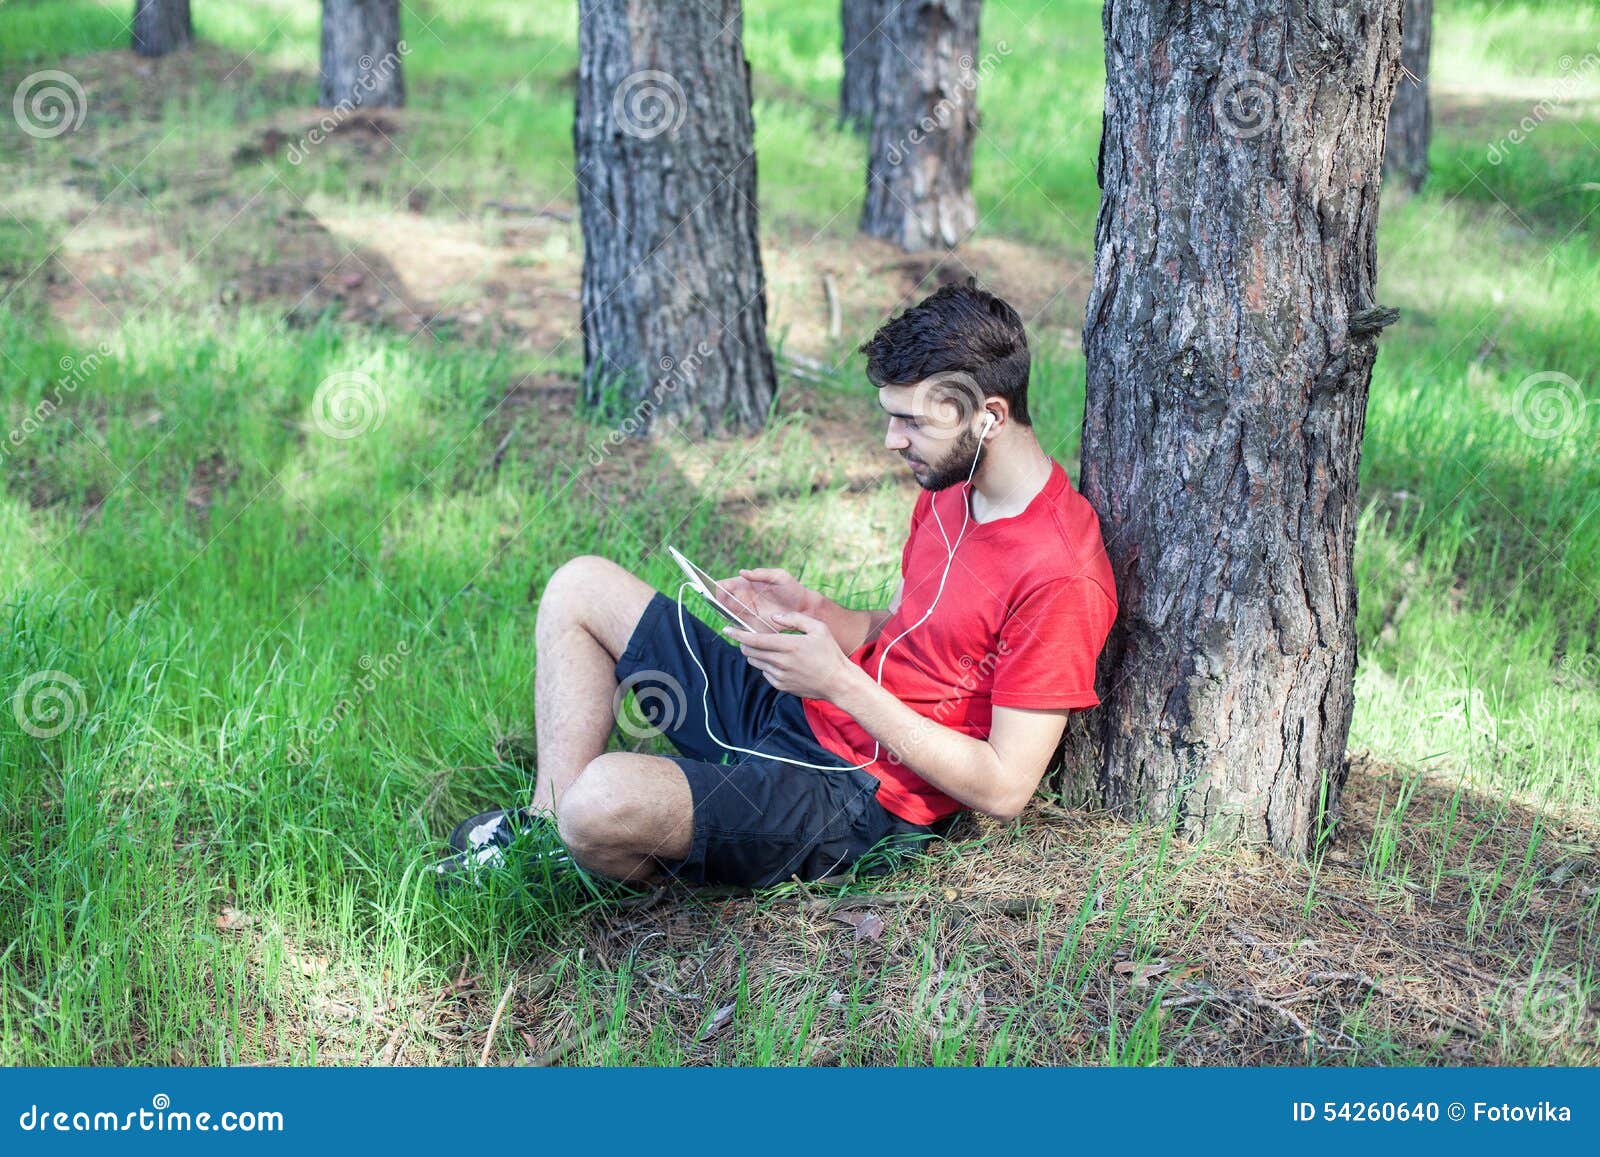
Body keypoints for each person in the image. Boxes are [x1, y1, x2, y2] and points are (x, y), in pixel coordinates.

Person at [433, 282, 1118, 889]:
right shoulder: (949, 481)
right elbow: (914, 631)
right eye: (890, 415)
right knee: (579, 587)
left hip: (857, 798)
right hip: (804, 712)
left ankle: (591, 834)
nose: (889, 440)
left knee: (602, 798)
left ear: (989, 415)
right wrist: (814, 611)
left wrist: (842, 683)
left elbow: (1005, 785)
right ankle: (544, 836)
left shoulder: (1061, 570)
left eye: (910, 420)